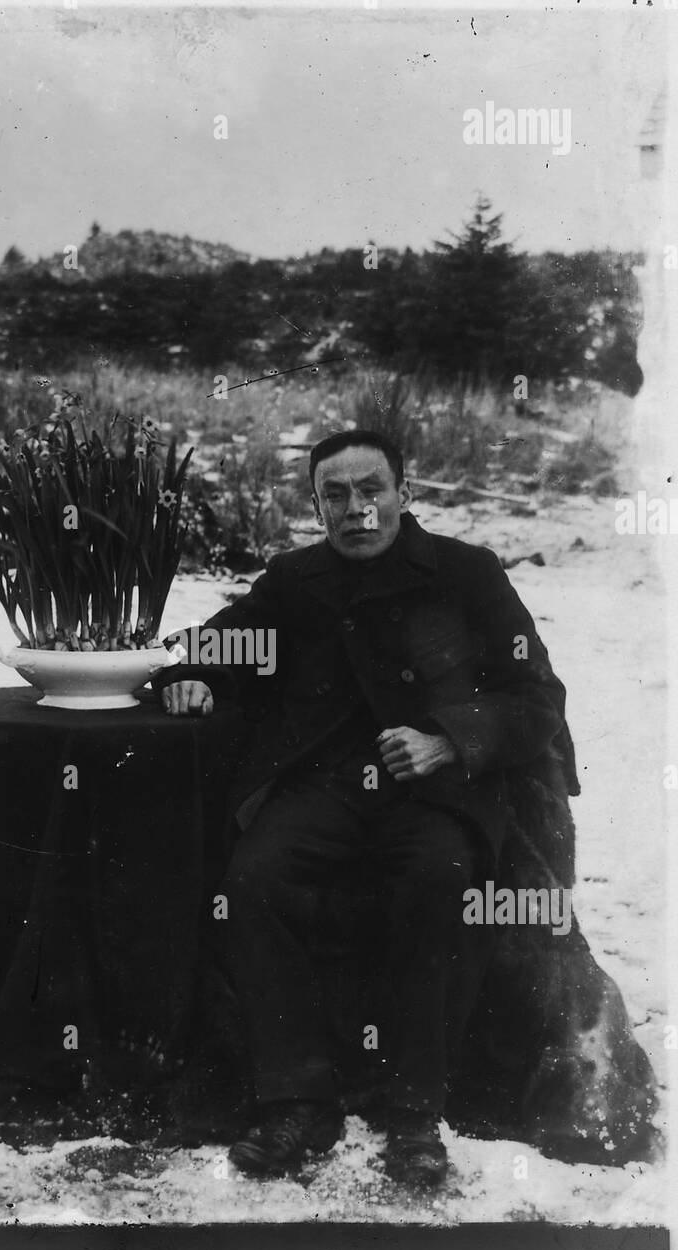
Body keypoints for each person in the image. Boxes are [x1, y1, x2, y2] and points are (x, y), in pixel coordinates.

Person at [158, 428, 567, 1188]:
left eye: (371, 490)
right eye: (335, 496)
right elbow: (224, 644)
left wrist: (446, 740)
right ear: (317, 508)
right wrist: (190, 674)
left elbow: (538, 698)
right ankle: (299, 1102)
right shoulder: (296, 580)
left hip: (433, 791)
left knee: (439, 878)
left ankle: (414, 1114)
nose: (357, 509)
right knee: (256, 879)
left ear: (404, 495)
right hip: (325, 791)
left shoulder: (467, 575)